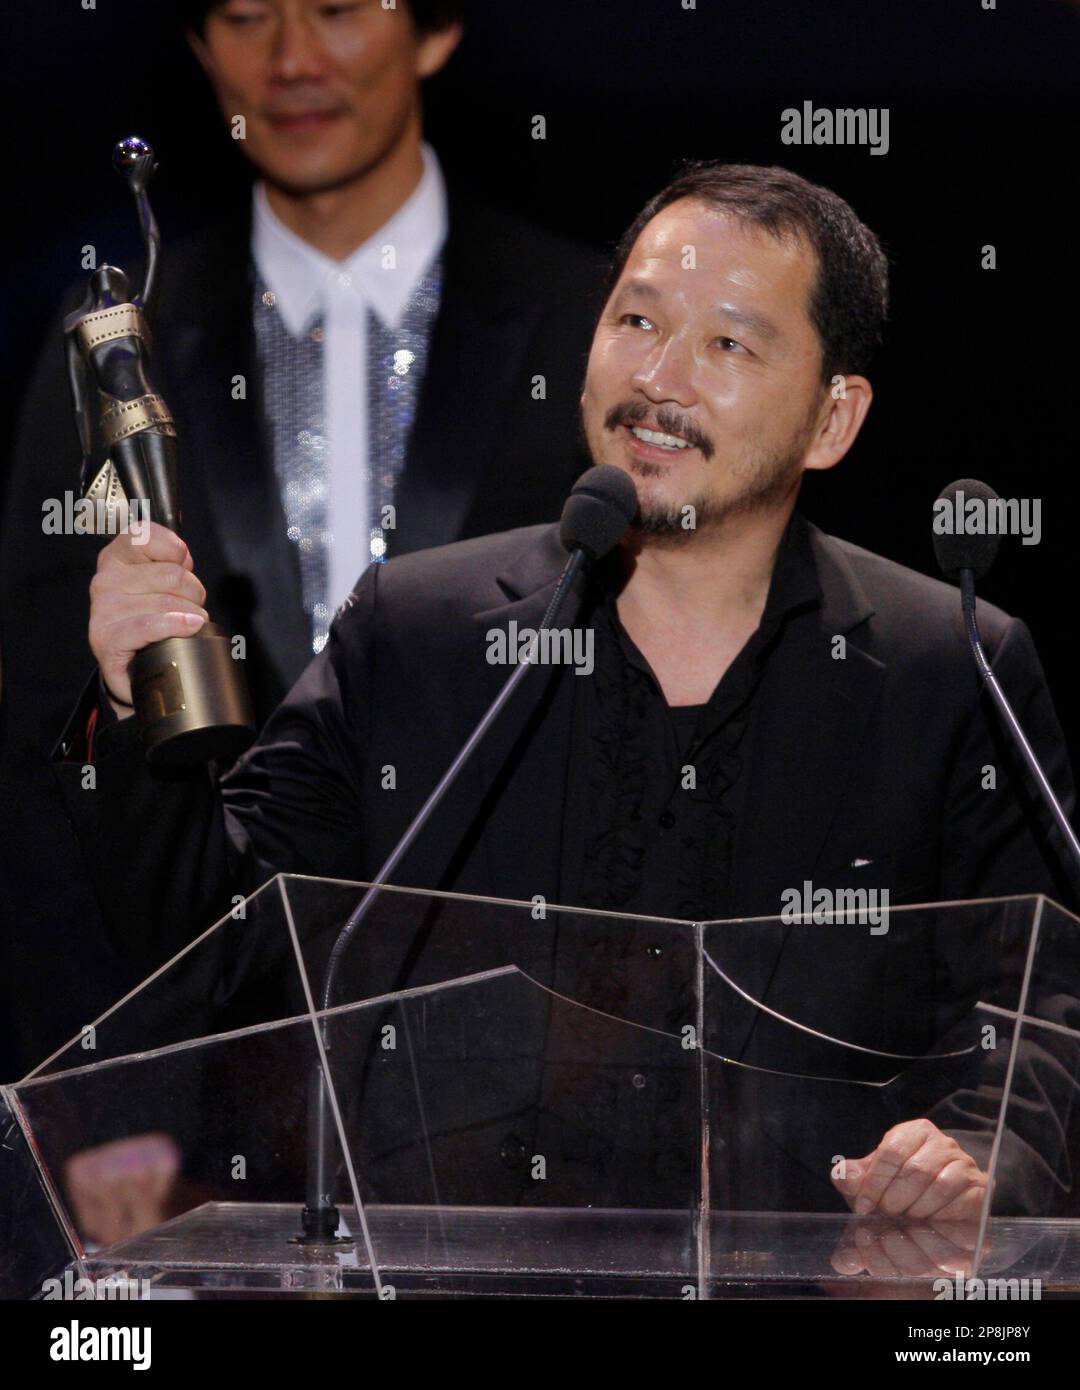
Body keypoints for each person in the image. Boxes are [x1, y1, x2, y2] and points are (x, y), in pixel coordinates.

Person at [56, 162, 1080, 1219]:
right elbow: (222, 947)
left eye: (728, 343)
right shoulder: (418, 637)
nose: (662, 379)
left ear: (833, 419)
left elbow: (1045, 1009)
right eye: (637, 320)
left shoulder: (947, 667)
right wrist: (137, 712)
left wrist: (977, 1157)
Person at [0, 0, 603, 1078]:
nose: (291, 60)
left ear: (435, 30)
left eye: (335, 10)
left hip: (535, 1047)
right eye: (245, 17)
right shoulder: (109, 349)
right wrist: (94, 1094)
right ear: (198, 45)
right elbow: (48, 738)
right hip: (205, 1056)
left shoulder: (591, 323)